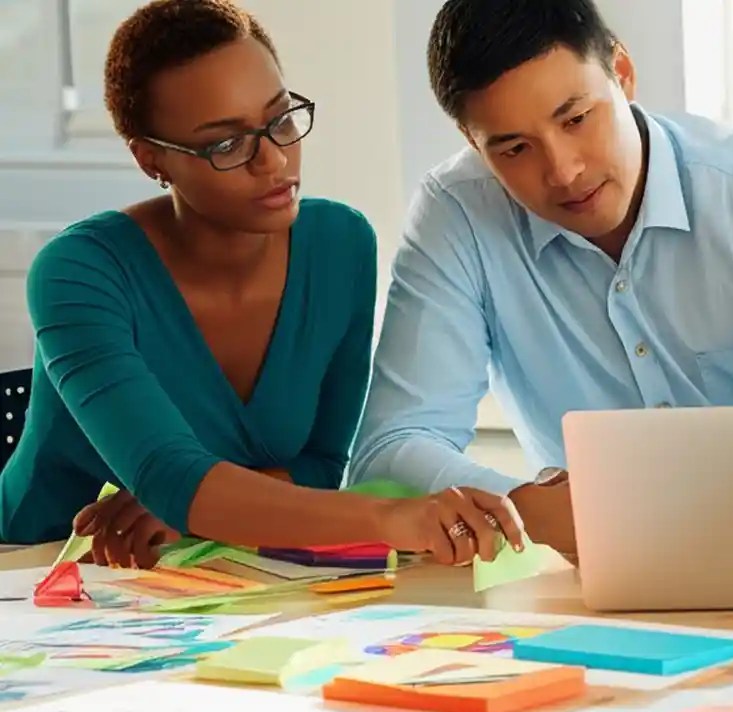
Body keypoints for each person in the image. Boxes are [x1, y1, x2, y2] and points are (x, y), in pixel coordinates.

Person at [0, 0, 522, 568]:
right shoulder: (78, 272)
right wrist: (387, 517)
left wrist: (202, 511)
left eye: (280, 119)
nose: (273, 161)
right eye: (226, 144)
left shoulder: (340, 245)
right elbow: (171, 476)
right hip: (39, 571)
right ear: (151, 160)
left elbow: (323, 463)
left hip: (218, 573)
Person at [349, 0, 733, 557]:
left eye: (575, 118)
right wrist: (524, 508)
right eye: (514, 148)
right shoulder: (458, 212)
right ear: (472, 142)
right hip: (591, 585)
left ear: (621, 73)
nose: (563, 170)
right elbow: (389, 450)